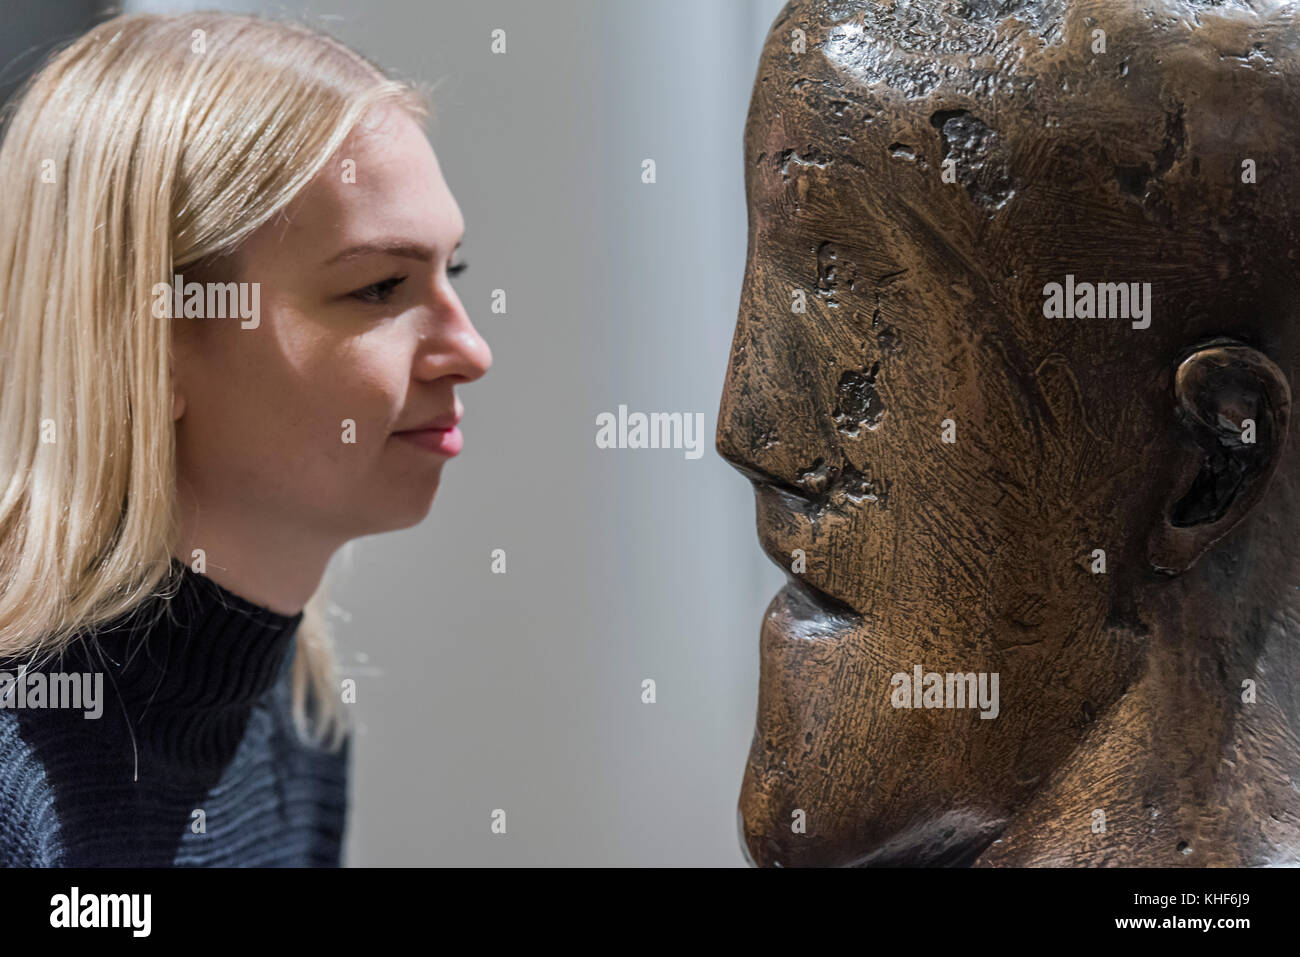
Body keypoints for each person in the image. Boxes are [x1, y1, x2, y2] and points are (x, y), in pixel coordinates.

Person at [0, 11, 491, 866]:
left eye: (452, 274)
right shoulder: (24, 783)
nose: (472, 352)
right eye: (379, 288)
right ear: (149, 345)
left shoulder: (294, 710)